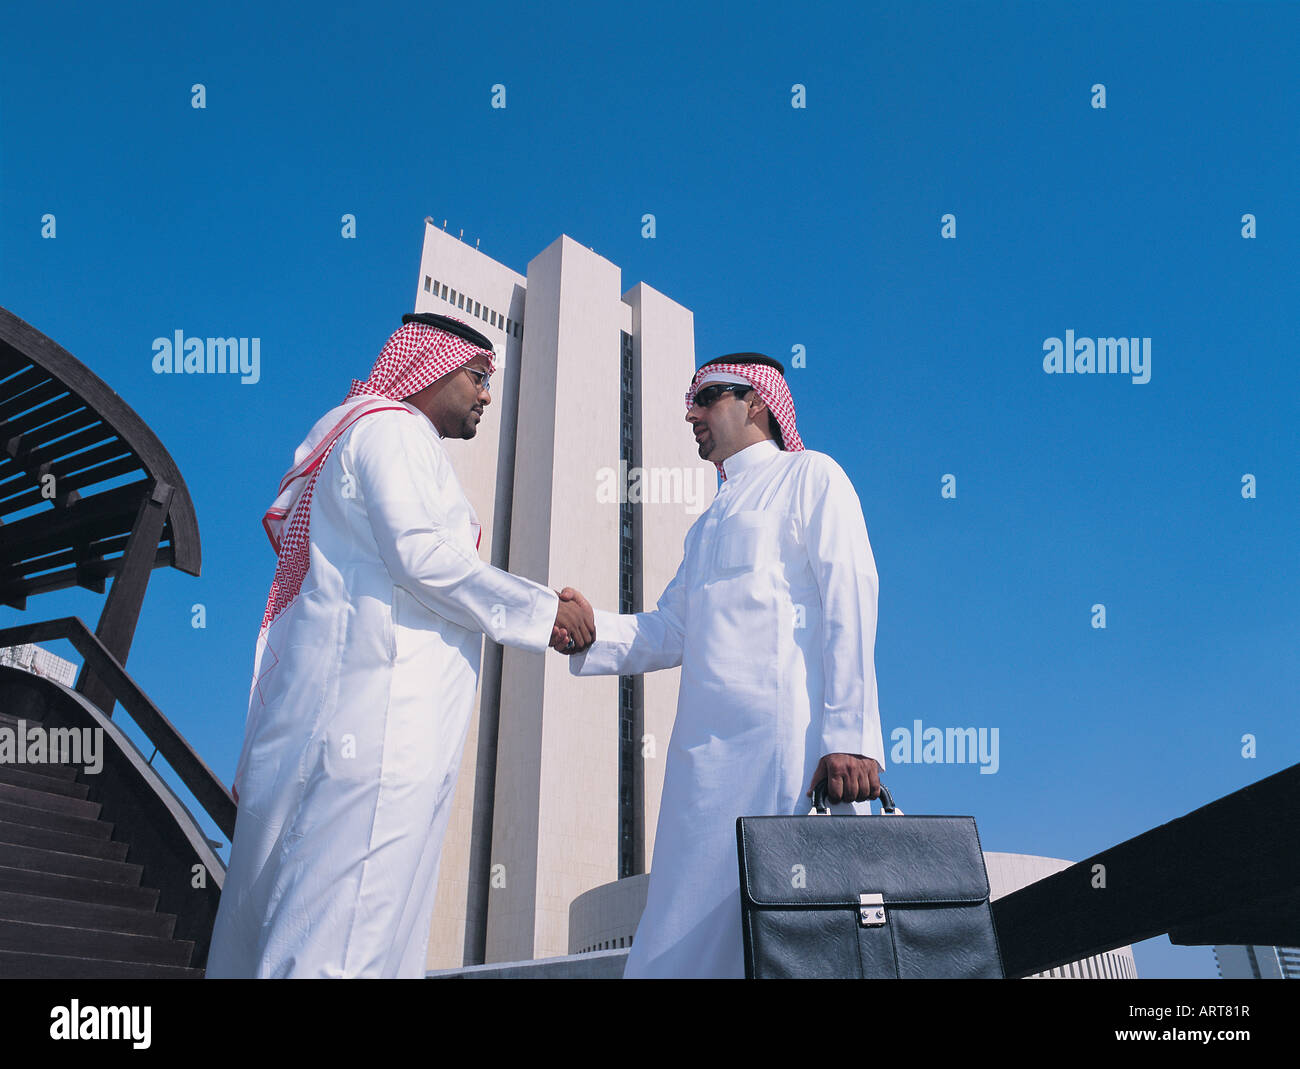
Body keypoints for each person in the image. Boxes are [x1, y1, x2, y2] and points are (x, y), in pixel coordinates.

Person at [207, 313, 594, 978]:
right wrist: (542, 611)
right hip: (378, 739)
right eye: (477, 376)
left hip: (362, 735)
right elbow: (421, 555)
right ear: (435, 369)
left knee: (351, 942)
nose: (486, 395)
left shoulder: (380, 437)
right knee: (344, 949)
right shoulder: (392, 429)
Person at [555, 353, 885, 978]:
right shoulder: (705, 526)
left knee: (794, 936)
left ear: (756, 402)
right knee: (677, 938)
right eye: (691, 402)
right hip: (700, 767)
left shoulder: (810, 476)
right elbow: (668, 630)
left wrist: (850, 735)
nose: (692, 414)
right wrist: (586, 631)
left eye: (707, 399)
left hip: (789, 755)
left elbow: (853, 591)